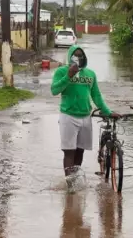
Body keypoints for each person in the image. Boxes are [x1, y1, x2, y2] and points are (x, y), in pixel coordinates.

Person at [51, 45, 119, 177]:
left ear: (84, 57)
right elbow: (54, 90)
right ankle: (70, 184)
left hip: (85, 117)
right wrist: (69, 76)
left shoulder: (90, 74)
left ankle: (75, 178)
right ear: (70, 57)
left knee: (80, 151)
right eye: (75, 55)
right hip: (68, 116)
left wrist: (108, 111)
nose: (78, 58)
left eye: (80, 55)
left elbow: (96, 96)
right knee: (69, 152)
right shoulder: (61, 71)